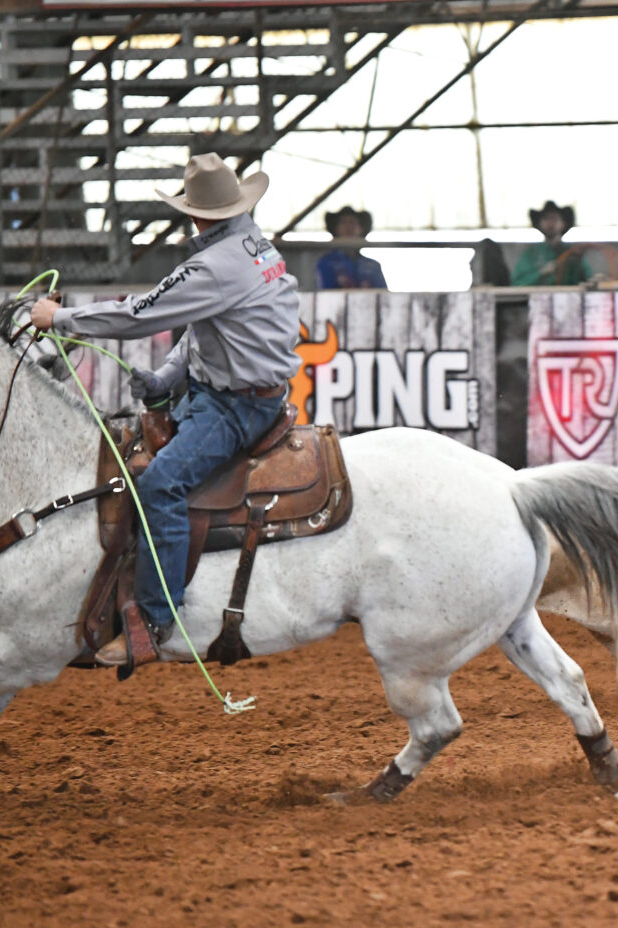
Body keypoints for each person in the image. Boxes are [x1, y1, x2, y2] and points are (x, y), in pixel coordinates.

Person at [29, 153, 300, 667]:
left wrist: (60, 318)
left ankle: (154, 621)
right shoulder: (252, 245)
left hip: (234, 409)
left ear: (194, 214)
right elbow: (207, 327)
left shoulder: (213, 266)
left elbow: (139, 315)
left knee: (160, 484)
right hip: (232, 393)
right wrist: (169, 378)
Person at [512, 201, 592, 286]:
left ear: (563, 223)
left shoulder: (573, 253)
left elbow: (588, 281)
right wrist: (542, 273)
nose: (550, 223)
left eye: (554, 218)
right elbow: (517, 284)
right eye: (546, 219)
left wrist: (578, 263)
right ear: (540, 223)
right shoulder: (530, 255)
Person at [314, 205, 388, 289]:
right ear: (336, 229)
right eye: (343, 223)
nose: (348, 227)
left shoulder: (373, 265)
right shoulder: (326, 262)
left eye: (352, 222)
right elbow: (326, 292)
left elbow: (383, 293)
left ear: (361, 229)